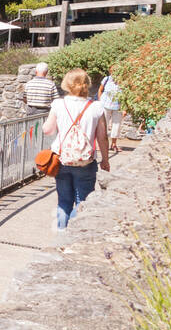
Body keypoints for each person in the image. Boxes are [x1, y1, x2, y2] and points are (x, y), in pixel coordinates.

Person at [42, 68, 109, 230]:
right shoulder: (96, 107)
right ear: (87, 85)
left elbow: (47, 130)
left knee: (64, 202)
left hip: (62, 159)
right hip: (85, 161)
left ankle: (61, 234)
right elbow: (102, 137)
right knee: (82, 203)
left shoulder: (59, 104)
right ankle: (74, 237)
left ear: (66, 84)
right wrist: (105, 160)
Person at [99, 71, 122, 156]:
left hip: (118, 106)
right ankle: (102, 144)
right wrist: (100, 101)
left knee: (117, 125)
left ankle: (114, 144)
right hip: (105, 105)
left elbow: (126, 95)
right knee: (103, 125)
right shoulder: (107, 79)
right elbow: (100, 90)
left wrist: (125, 109)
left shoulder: (123, 81)